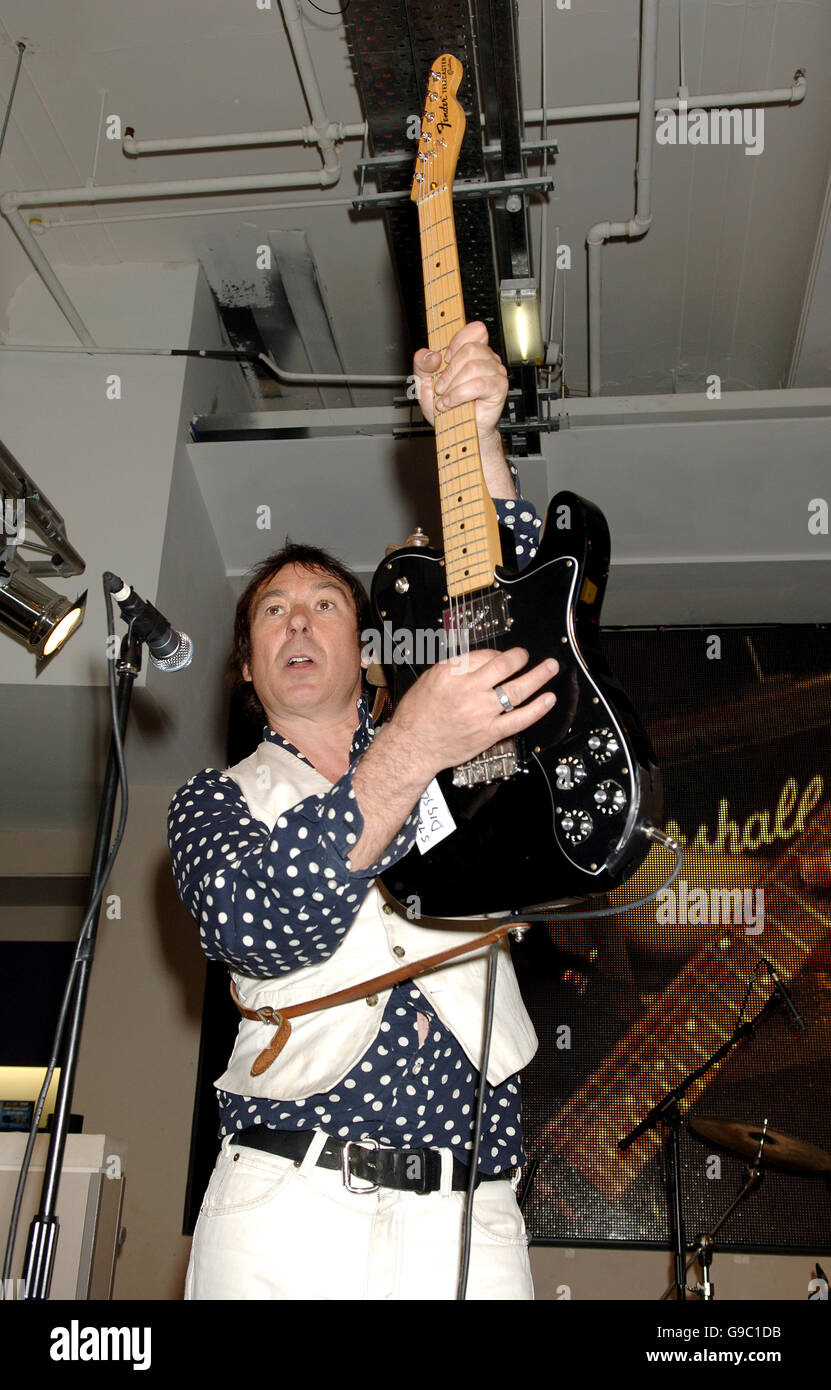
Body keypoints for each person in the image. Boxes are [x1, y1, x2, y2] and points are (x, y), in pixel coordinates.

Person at [168, 321, 558, 1300]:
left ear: (371, 645)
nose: (299, 620)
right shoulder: (214, 800)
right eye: (273, 611)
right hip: (287, 1204)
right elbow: (259, 925)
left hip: (471, 1221)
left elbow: (511, 625)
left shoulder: (458, 753)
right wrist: (408, 751)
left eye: (326, 604)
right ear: (247, 668)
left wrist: (476, 439)